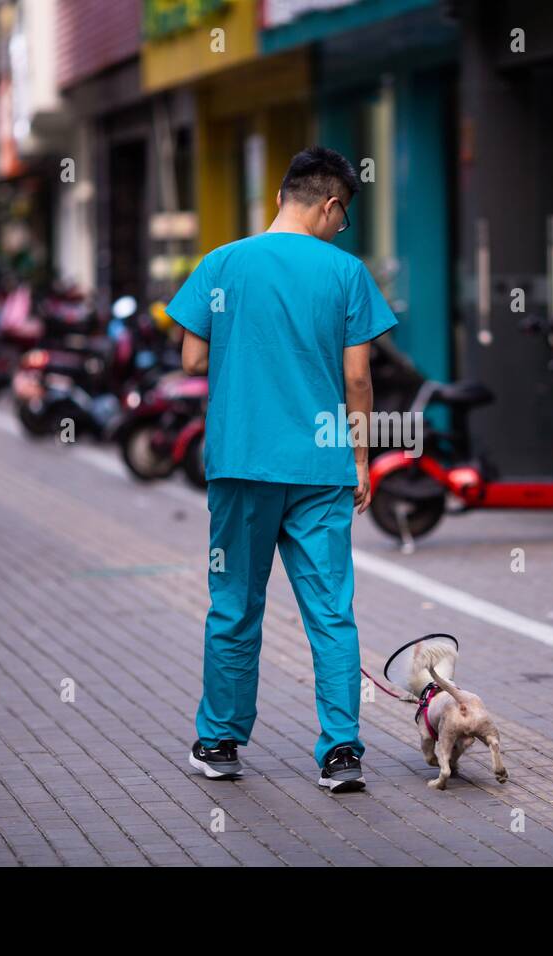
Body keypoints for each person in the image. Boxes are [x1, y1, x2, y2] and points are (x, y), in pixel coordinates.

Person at [167, 146, 398, 793]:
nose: (340, 226)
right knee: (330, 611)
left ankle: (220, 742)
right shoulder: (346, 273)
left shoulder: (220, 264)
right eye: (343, 214)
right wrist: (360, 457)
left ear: (279, 197)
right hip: (322, 465)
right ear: (329, 206)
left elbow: (189, 359)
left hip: (241, 461)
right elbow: (358, 376)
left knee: (235, 605)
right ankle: (341, 754)